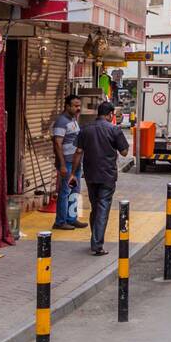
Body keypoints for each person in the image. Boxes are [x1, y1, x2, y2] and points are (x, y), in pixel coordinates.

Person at [68, 102, 130, 256]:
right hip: (107, 175)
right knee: (102, 208)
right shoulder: (114, 129)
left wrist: (72, 173)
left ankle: (94, 238)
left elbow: (78, 152)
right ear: (110, 114)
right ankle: (97, 245)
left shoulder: (86, 129)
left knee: (95, 207)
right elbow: (124, 152)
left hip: (90, 174)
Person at [52, 94, 85, 230]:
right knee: (65, 192)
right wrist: (62, 165)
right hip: (67, 163)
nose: (78, 108)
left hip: (75, 163)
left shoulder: (73, 119)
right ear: (67, 106)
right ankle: (60, 221)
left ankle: (71, 218)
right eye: (75, 106)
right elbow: (57, 144)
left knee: (74, 191)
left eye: (79, 105)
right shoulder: (61, 121)